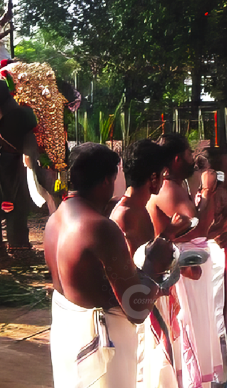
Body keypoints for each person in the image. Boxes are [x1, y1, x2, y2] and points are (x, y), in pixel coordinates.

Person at [46, 143, 172, 388]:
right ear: (106, 180)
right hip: (101, 351)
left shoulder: (55, 219)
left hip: (66, 340)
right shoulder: (100, 227)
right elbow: (136, 309)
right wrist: (154, 265)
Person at [147, 132, 223, 387]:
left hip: (193, 278)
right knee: (189, 340)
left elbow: (201, 229)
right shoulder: (170, 190)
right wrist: (208, 191)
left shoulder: (179, 186)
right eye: (190, 154)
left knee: (198, 336)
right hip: (184, 279)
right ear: (178, 158)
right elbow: (199, 229)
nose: (194, 159)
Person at [110, 140, 184, 388]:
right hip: (140, 309)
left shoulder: (137, 209)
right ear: (153, 178)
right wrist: (169, 235)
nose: (163, 182)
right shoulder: (126, 214)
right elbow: (134, 268)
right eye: (162, 175)